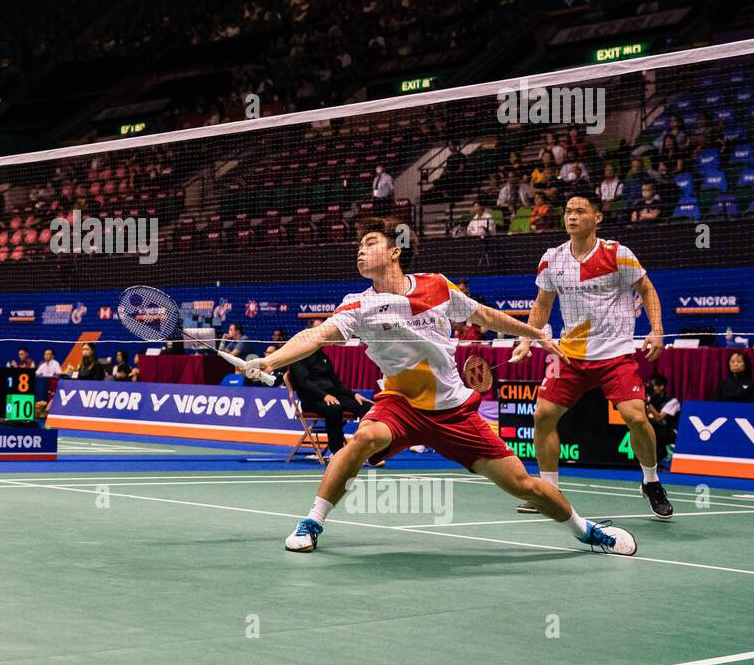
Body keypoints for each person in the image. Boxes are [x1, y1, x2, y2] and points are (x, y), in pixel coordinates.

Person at [248, 218, 636, 557]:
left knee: (524, 485)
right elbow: (313, 336)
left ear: (396, 250)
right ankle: (312, 522)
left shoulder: (435, 287)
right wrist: (269, 360)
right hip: (399, 404)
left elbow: (484, 315)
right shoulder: (358, 305)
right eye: (359, 246)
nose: (360, 252)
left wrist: (533, 332)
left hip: (454, 411)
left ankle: (587, 531)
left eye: (370, 243)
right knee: (364, 436)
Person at [511, 193, 672, 518]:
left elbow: (647, 290)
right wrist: (526, 340)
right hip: (570, 353)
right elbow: (542, 304)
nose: (572, 216)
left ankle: (651, 481)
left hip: (615, 353)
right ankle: (548, 491)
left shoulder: (617, 255)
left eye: (580, 211)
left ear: (597, 217)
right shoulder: (552, 259)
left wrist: (656, 330)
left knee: (636, 417)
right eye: (568, 211)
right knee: (543, 415)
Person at [287, 338, 371, 456]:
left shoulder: (322, 356)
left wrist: (354, 394)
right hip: (311, 399)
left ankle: (366, 451)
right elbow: (304, 383)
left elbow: (337, 383)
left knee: (366, 406)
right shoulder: (298, 357)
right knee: (335, 408)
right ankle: (337, 452)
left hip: (333, 396)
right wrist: (324, 395)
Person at [645, 375, 680, 452]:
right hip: (659, 428)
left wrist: (647, 403)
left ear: (661, 387)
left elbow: (659, 417)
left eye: (653, 386)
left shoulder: (672, 401)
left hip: (672, 432)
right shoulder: (650, 399)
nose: (651, 389)